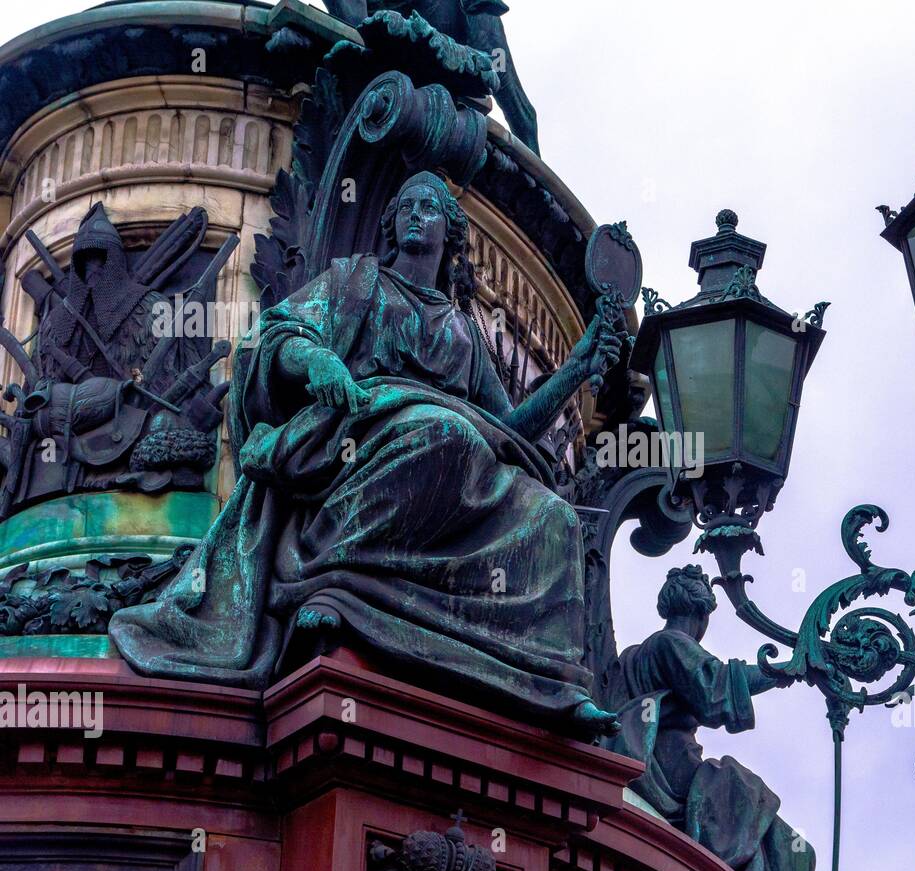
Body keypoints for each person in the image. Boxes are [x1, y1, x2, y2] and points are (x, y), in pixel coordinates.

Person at [110, 171, 620, 737]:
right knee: (443, 435)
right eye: (406, 205)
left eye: (429, 206)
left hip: (444, 451)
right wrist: (318, 361)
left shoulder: (464, 331)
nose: (415, 214)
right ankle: (324, 573)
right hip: (354, 431)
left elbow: (506, 429)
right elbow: (277, 337)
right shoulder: (357, 282)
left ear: (452, 236)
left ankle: (545, 677)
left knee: (556, 517)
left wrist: (573, 370)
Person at [602, 565, 815, 871]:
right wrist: (783, 670)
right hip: (673, 778)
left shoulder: (634, 655)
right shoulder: (670, 644)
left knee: (777, 838)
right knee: (785, 843)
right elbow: (716, 690)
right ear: (702, 614)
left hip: (662, 770)